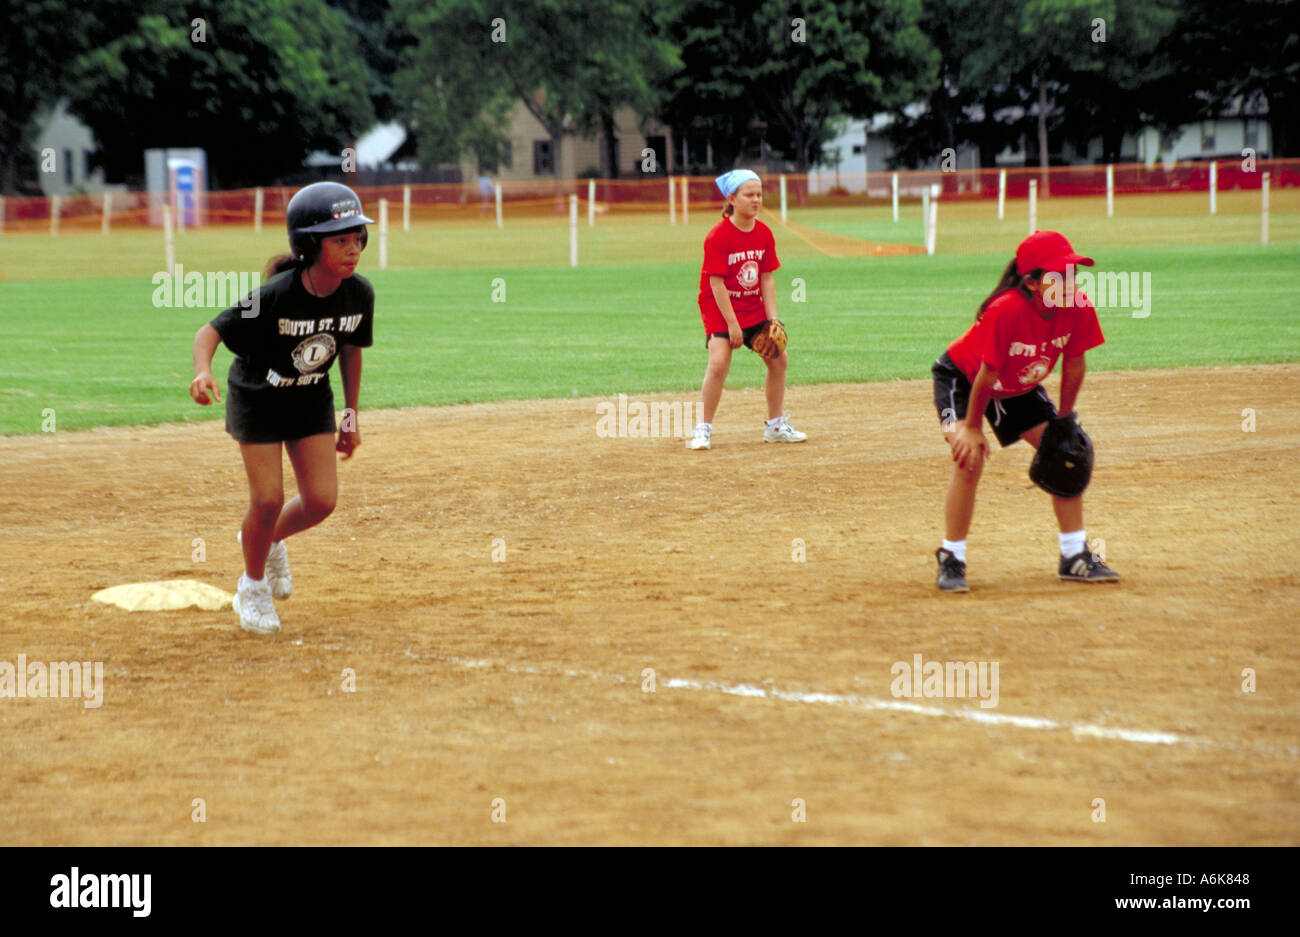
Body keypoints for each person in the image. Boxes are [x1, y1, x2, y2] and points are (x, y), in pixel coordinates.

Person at [189, 181, 375, 633]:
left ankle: (265, 542)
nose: (353, 250)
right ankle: (251, 589)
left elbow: (350, 349)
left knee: (321, 501)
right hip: (259, 400)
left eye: (358, 239)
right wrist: (202, 371)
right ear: (309, 244)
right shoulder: (275, 296)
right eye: (340, 240)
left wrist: (350, 414)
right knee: (268, 498)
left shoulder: (359, 293)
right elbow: (209, 331)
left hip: (310, 398)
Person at [931, 230, 1119, 592]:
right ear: (1032, 282)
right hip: (964, 378)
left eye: (1072, 274)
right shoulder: (1006, 311)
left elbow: (1075, 365)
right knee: (969, 458)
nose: (1069, 282)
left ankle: (1074, 555)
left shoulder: (1077, 307)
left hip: (1016, 385)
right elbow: (986, 377)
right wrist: (971, 428)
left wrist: (1065, 419)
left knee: (1067, 451)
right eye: (1058, 275)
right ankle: (952, 557)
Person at [688, 169, 806, 450]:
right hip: (720, 306)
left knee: (779, 360)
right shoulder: (718, 236)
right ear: (731, 199)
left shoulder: (763, 233)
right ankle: (702, 429)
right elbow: (715, 283)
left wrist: (773, 318)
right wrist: (731, 324)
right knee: (719, 364)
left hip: (753, 305)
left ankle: (775, 425)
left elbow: (767, 277)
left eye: (759, 194)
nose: (756, 200)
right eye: (749, 194)